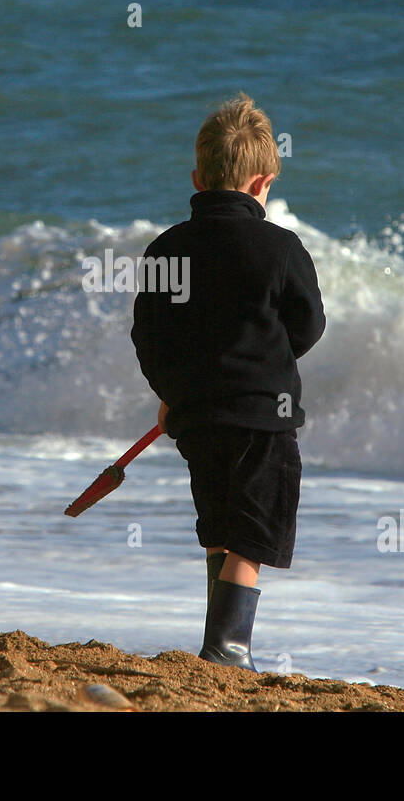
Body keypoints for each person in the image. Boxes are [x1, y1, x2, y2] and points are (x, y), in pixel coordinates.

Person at [131, 93, 325, 671]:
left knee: (221, 521)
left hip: (196, 416)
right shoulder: (280, 248)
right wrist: (266, 361)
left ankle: (221, 643)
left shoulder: (166, 249)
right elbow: (309, 324)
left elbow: (150, 335)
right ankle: (228, 648)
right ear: (262, 183)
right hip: (262, 414)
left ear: (197, 177)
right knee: (250, 532)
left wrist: (170, 392)